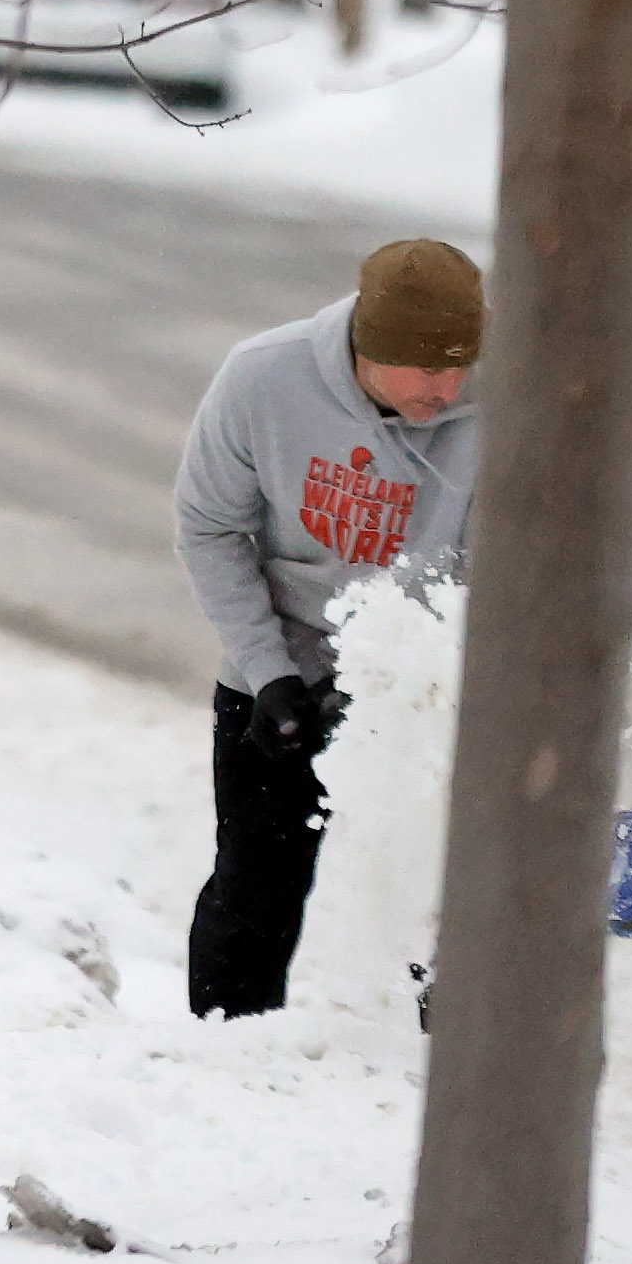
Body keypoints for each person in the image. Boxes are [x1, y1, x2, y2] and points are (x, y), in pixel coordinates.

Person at [171, 238, 482, 1017]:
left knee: (454, 890)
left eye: (460, 366)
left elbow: (523, 566)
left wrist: (409, 676)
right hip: (281, 666)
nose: (445, 389)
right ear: (361, 350)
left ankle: (450, 1062)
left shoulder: (516, 399)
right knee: (254, 883)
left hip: (436, 671)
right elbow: (208, 529)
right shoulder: (263, 377)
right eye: (422, 368)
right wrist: (270, 673)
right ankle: (224, 1053)